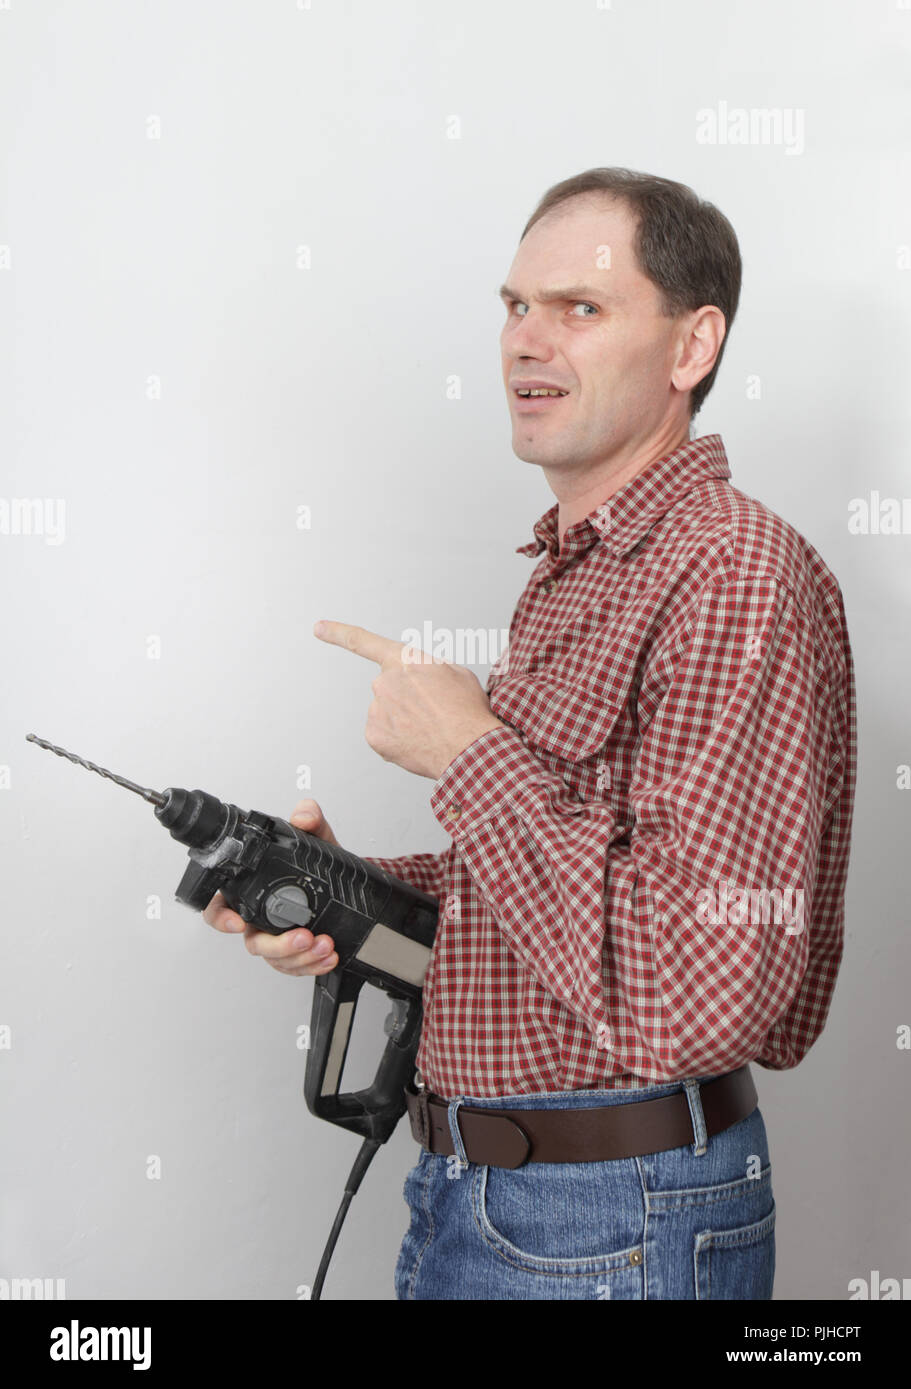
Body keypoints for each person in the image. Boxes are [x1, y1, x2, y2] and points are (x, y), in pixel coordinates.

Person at [204, 168, 857, 1300]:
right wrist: (337, 891)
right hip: (490, 1201)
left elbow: (700, 992)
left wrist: (465, 752)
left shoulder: (733, 573)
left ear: (690, 345)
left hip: (611, 1219)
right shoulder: (572, 575)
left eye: (579, 308)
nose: (524, 342)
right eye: (513, 306)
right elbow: (562, 891)